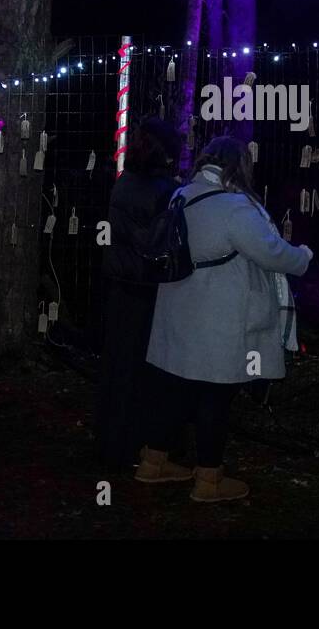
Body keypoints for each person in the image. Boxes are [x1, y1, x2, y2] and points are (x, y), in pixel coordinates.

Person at [136, 136, 313, 502]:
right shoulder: (234, 207)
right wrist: (304, 257)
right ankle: (209, 480)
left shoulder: (181, 195)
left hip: (176, 311)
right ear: (238, 166)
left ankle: (153, 463)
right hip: (217, 319)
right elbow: (272, 254)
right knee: (215, 395)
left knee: (176, 391)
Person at [94, 117, 183, 471]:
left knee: (119, 365)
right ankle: (136, 445)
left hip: (120, 285)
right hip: (147, 288)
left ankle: (112, 442)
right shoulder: (163, 191)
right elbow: (160, 242)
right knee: (144, 369)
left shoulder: (125, 182)